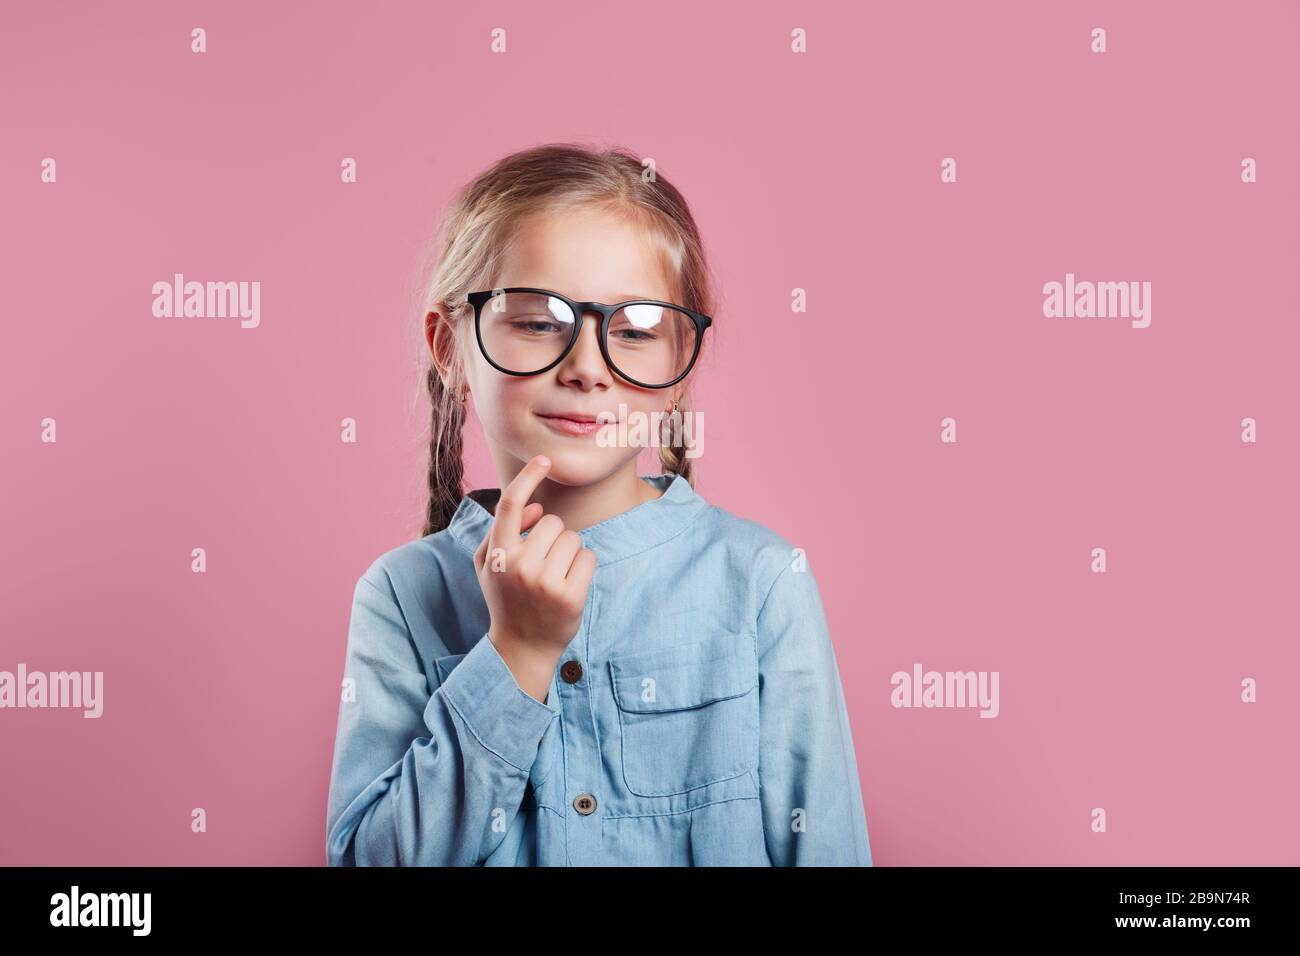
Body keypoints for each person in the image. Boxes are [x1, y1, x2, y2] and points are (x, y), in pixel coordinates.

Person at [324, 143, 872, 866]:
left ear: (681, 365)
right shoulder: (402, 595)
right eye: (538, 321)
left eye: (635, 330)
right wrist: (516, 655)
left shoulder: (764, 583)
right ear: (451, 348)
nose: (585, 368)